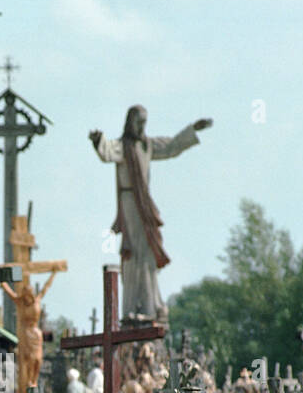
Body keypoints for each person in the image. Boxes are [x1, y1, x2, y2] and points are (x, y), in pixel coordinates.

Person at [90, 106, 212, 320]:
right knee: (133, 253)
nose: (141, 126)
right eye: (139, 122)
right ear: (130, 122)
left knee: (147, 253)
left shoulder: (147, 145)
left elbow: (171, 146)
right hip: (130, 203)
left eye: (144, 122)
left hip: (144, 204)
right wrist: (98, 140)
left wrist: (193, 129)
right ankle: (131, 306)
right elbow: (107, 152)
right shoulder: (123, 146)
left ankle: (149, 305)